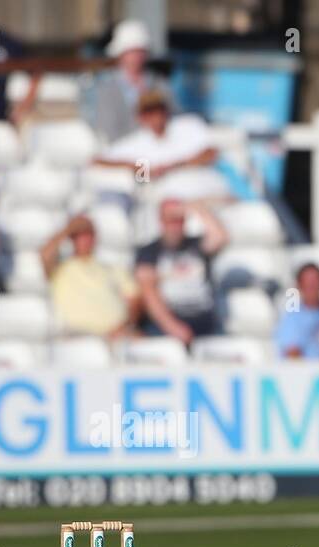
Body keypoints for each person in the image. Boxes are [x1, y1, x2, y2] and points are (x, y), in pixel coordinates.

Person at [94, 91, 227, 201]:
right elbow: (98, 161)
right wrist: (141, 168)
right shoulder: (136, 143)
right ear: (140, 117)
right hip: (172, 203)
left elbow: (211, 153)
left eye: (158, 110)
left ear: (166, 110)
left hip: (210, 192)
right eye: (148, 112)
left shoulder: (187, 125)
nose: (155, 117)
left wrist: (173, 166)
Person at [134, 198, 227, 343]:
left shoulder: (196, 244)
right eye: (171, 220)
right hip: (169, 323)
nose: (175, 226)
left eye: (180, 220)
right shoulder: (148, 252)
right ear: (161, 221)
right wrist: (171, 326)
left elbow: (220, 237)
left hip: (204, 319)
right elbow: (148, 292)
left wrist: (194, 208)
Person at [41, 214, 140, 338]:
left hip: (118, 333)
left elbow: (135, 299)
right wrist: (68, 229)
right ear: (72, 239)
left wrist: (126, 325)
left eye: (89, 234)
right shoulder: (61, 269)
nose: (86, 239)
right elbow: (45, 255)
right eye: (79, 235)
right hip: (79, 335)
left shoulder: (111, 268)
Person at [90, 19, 171, 145]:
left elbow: (175, 119)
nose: (136, 57)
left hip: (161, 150)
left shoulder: (159, 84)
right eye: (131, 52)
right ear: (120, 54)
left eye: (140, 51)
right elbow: (108, 130)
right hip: (126, 153)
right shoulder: (107, 89)